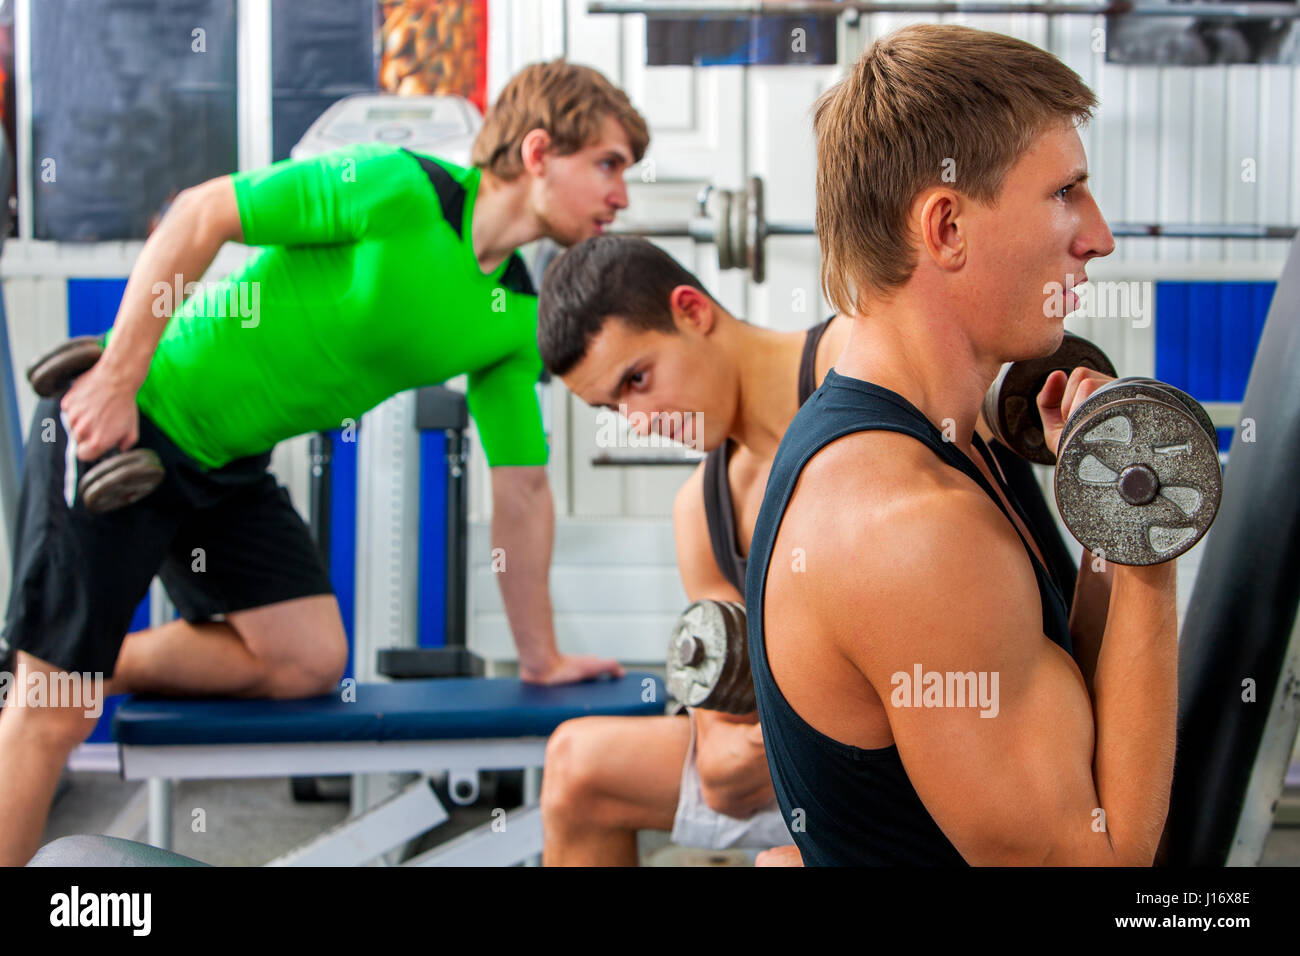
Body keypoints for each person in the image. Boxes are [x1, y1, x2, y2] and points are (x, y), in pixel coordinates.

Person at [0, 60, 648, 866]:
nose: (622, 195)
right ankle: (50, 672)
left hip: (228, 468)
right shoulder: (396, 187)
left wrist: (542, 656)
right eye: (610, 165)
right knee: (54, 709)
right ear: (541, 150)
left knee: (306, 659)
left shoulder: (514, 314)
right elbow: (202, 213)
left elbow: (521, 488)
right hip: (131, 421)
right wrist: (120, 379)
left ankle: (75, 658)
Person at [748, 24, 1175, 866]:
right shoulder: (905, 528)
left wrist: (1103, 532)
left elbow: (1067, 693)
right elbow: (1109, 862)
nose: (1099, 236)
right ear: (946, 227)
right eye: (1066, 193)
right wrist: (1153, 556)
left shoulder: (960, 431)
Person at [533, 235, 1079, 865]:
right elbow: (720, 773)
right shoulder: (699, 513)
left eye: (638, 379)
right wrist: (814, 712)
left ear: (692, 309)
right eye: (613, 405)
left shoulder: (873, 358)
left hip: (980, 728)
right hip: (826, 762)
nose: (638, 419)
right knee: (577, 767)